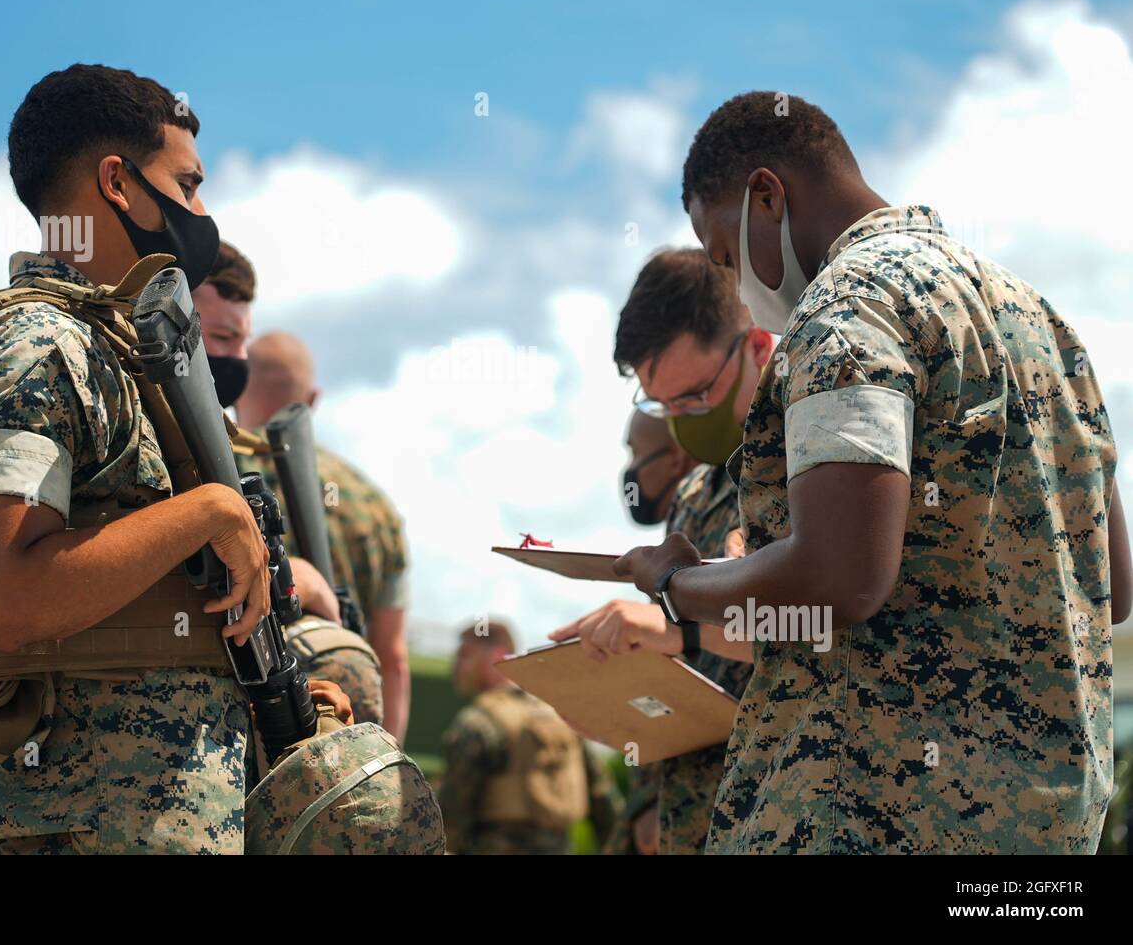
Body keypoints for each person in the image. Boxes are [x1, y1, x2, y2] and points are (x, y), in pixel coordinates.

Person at [612, 90, 1130, 854]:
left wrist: (677, 584)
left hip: (874, 811)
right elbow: (1113, 580)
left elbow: (839, 576)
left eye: (725, 252)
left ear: (766, 196)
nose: (742, 292)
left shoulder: (851, 307)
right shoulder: (1038, 316)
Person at [0, 63, 346, 854]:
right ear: (117, 183)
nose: (201, 212)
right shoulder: (35, 347)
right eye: (187, 185)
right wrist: (213, 510)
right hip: (87, 826)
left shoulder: (113, 348)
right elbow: (13, 598)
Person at [555, 250, 771, 854]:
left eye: (696, 396)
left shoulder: (823, 471)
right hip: (684, 816)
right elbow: (681, 678)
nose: (682, 422)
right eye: (664, 406)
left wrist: (681, 631)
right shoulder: (702, 489)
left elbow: (828, 631)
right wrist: (606, 700)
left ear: (757, 346)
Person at [193, 243, 386, 727]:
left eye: (244, 343)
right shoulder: (371, 501)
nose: (238, 358)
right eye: (222, 336)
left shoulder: (222, 450)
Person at [236, 330, 413, 743]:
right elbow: (395, 659)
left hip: (244, 733)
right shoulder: (374, 505)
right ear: (312, 400)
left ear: (238, 383)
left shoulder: (213, 471)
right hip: (350, 725)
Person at [437, 622, 620, 855]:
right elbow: (603, 801)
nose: (457, 666)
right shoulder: (560, 715)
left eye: (465, 655)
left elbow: (451, 817)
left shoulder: (477, 723)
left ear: (498, 655)